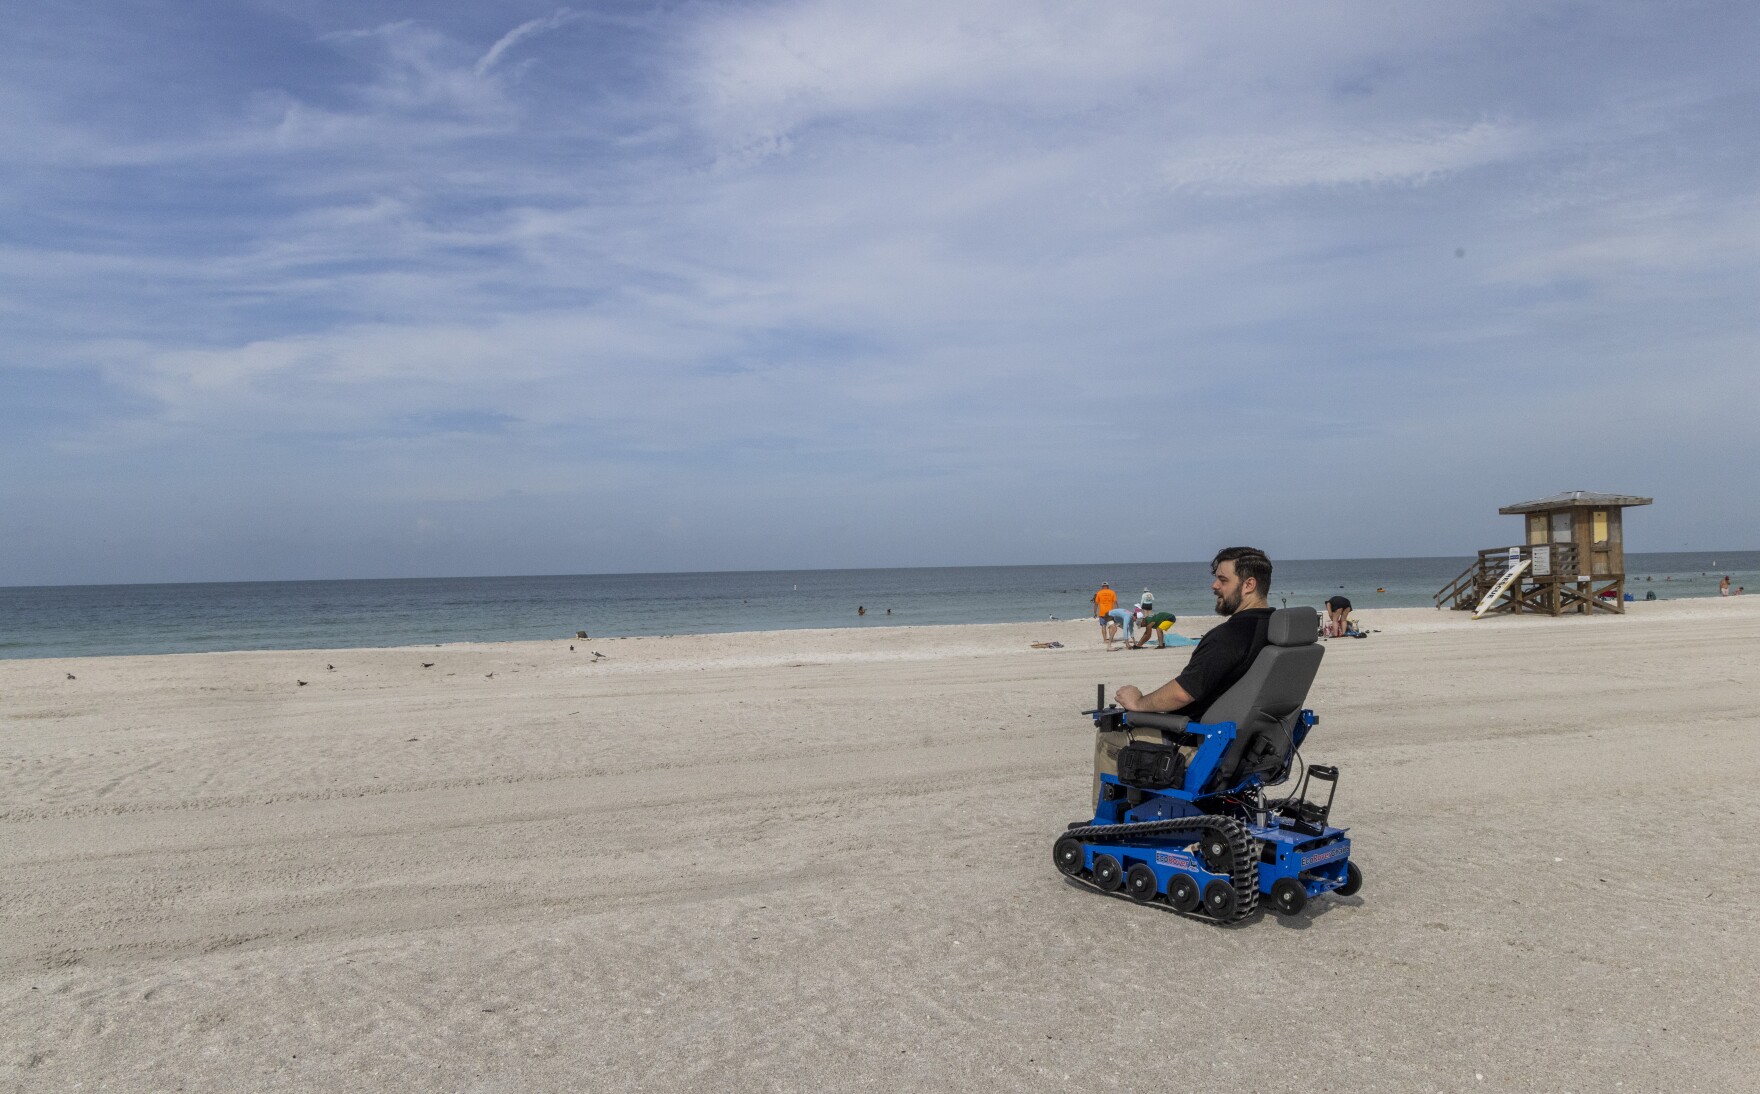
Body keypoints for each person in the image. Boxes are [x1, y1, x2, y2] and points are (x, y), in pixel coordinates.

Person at [1095, 548, 1276, 803]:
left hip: (1203, 747)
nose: (1214, 586)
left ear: (1249, 585)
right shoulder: (1277, 632)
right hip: (1254, 750)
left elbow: (1182, 693)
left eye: (1223, 580)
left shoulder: (1229, 637)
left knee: (1110, 735)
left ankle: (1107, 823)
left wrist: (1139, 703)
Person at [1092, 581, 1118, 646]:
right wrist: (1117, 611)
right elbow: (1115, 602)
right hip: (1110, 613)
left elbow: (1096, 604)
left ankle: (1105, 640)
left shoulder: (1099, 593)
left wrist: (1095, 612)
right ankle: (1111, 639)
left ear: (1102, 587)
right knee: (1110, 626)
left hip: (1102, 613)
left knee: (1103, 626)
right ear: (1108, 586)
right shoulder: (1112, 592)